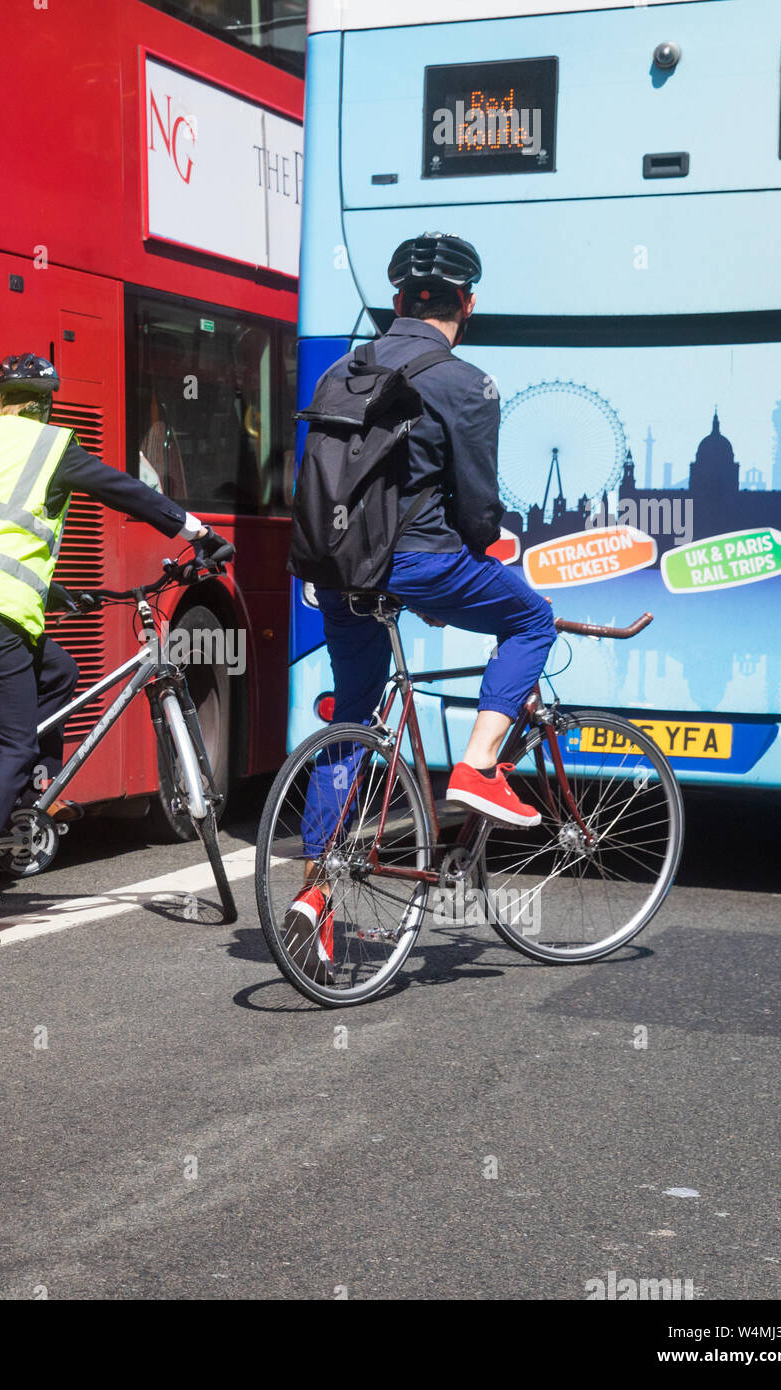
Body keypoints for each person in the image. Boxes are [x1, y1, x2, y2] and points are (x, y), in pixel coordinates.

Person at [286, 233, 557, 980]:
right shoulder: (468, 382)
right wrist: (469, 564)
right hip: (418, 559)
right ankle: (475, 767)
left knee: (354, 722)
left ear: (398, 298)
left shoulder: (346, 368)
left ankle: (317, 895)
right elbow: (476, 508)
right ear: (467, 304)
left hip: (339, 567)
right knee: (530, 620)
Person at [0, 352, 230, 947]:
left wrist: (56, 591)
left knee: (58, 670)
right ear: (45, 402)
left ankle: (44, 784)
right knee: (12, 742)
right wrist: (196, 532)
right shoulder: (49, 446)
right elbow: (126, 491)